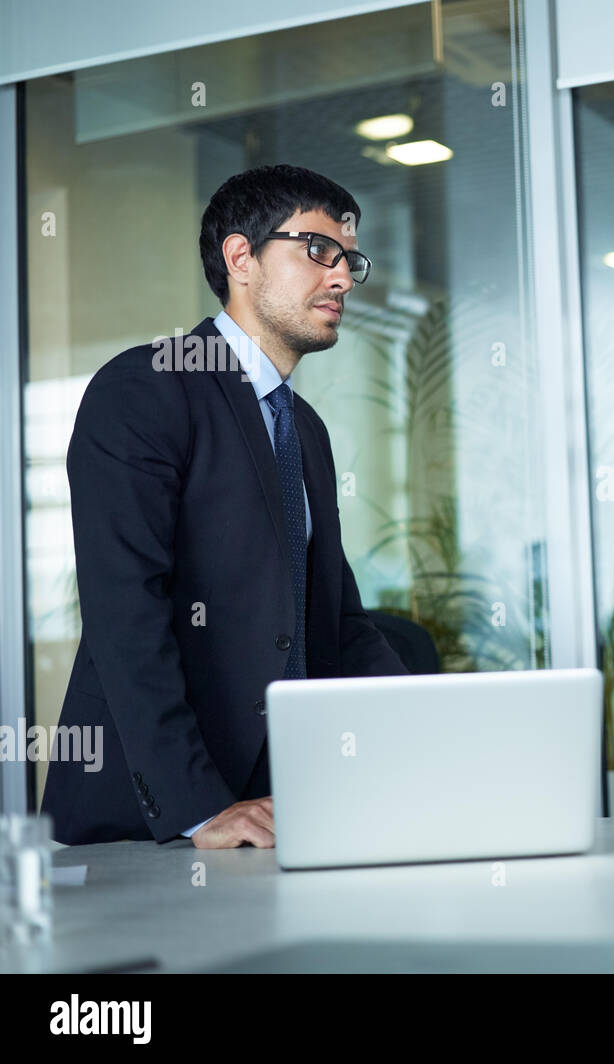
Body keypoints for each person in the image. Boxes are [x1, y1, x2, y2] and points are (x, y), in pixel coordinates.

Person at [42, 165, 408, 848]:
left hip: (276, 809)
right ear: (241, 257)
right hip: (151, 826)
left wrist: (432, 733)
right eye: (317, 251)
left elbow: (337, 621)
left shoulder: (304, 429)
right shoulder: (146, 387)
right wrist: (197, 808)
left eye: (349, 261)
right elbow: (128, 614)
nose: (341, 278)